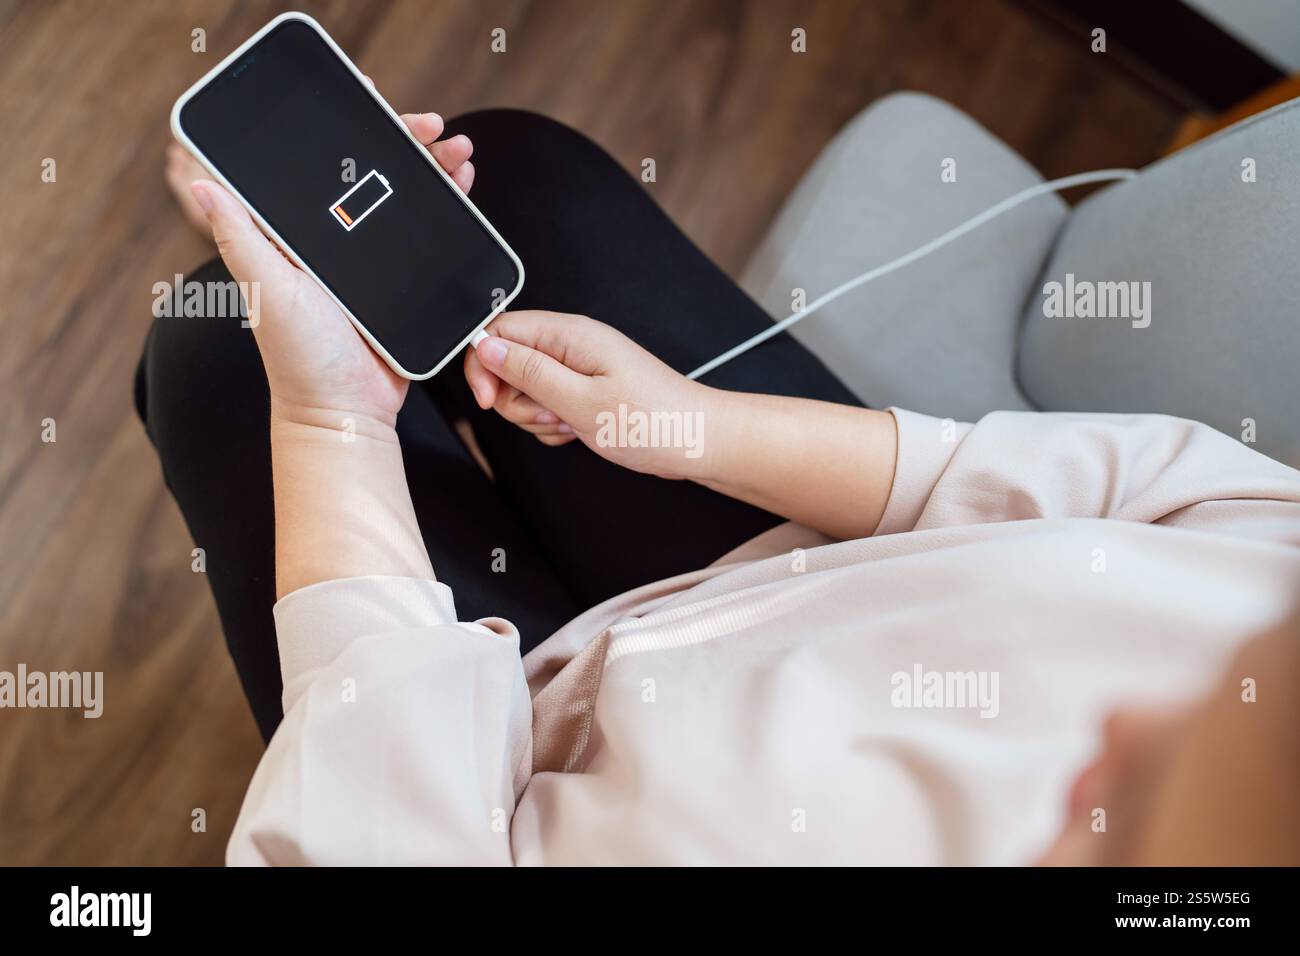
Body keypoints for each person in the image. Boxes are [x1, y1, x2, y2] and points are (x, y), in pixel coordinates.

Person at [139, 109, 1300, 865]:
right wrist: (688, 425)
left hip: (500, 803)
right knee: (518, 179)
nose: (1137, 708)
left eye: (1130, 815)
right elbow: (1089, 484)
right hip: (805, 556)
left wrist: (332, 419)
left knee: (217, 354)